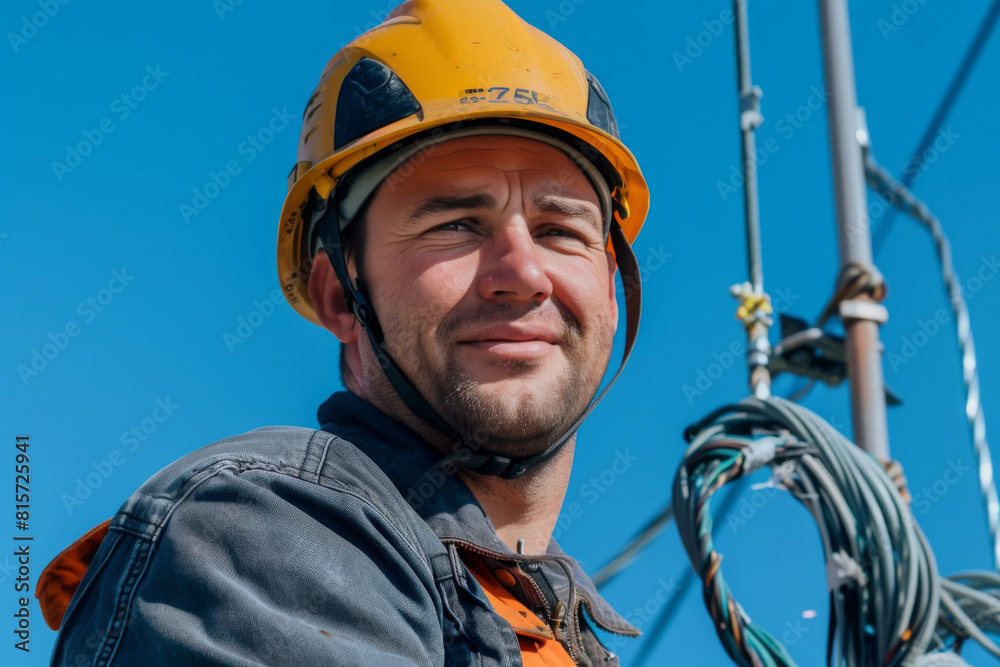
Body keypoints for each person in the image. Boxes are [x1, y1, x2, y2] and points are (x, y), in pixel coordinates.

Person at [37, 0, 650, 664]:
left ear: (611, 292)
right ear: (338, 294)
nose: (523, 273)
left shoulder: (559, 631)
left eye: (561, 231)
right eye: (455, 224)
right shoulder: (256, 536)